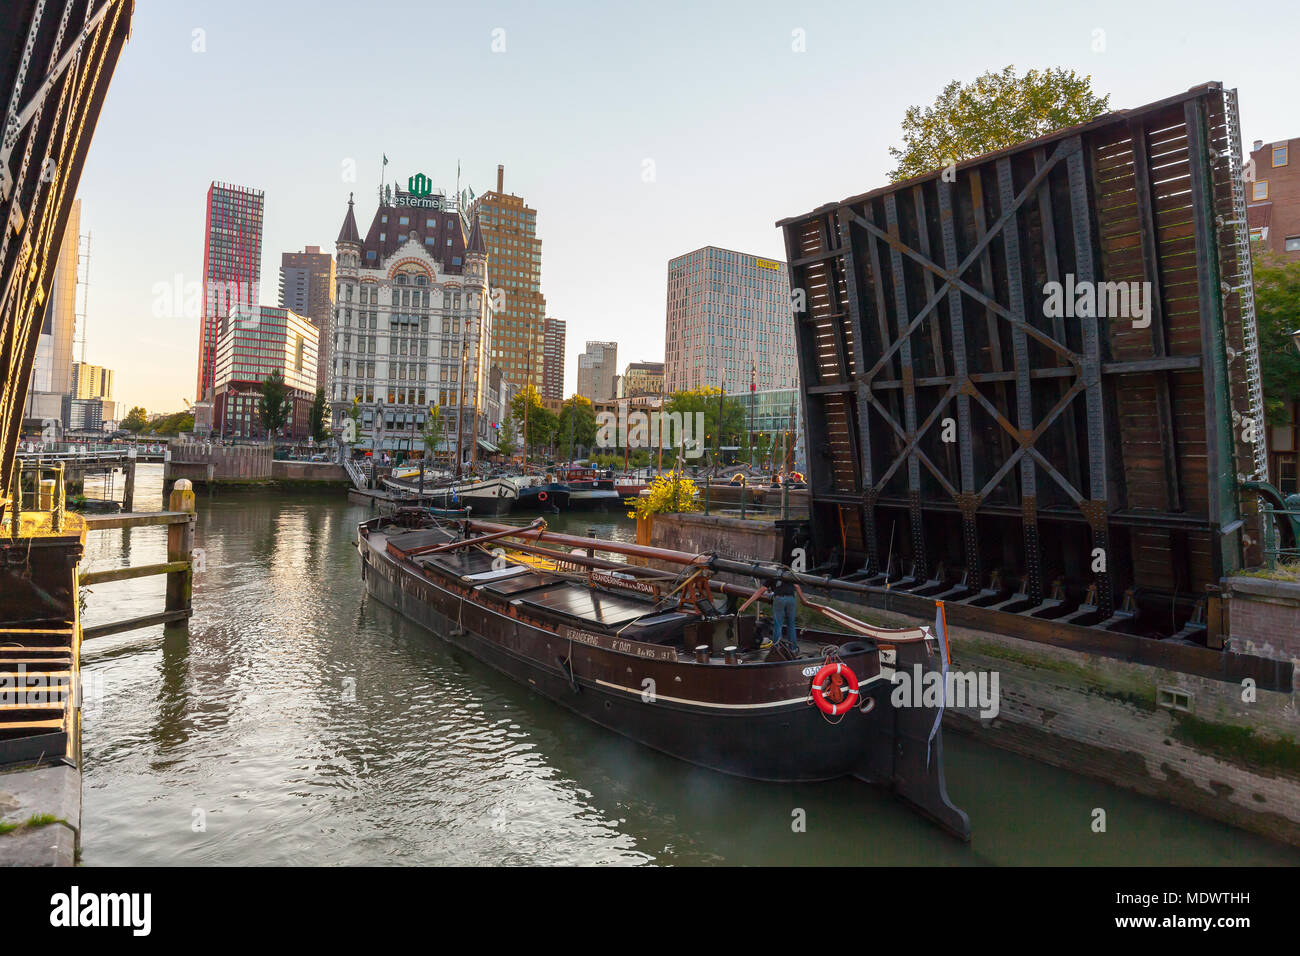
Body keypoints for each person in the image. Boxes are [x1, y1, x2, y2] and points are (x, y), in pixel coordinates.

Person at [767, 577, 799, 654]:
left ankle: (777, 649)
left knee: (778, 625)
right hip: (791, 599)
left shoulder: (772, 575)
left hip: (779, 598)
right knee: (791, 625)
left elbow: (762, 590)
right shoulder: (789, 575)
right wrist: (804, 599)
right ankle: (793, 649)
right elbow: (797, 586)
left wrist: (745, 604)